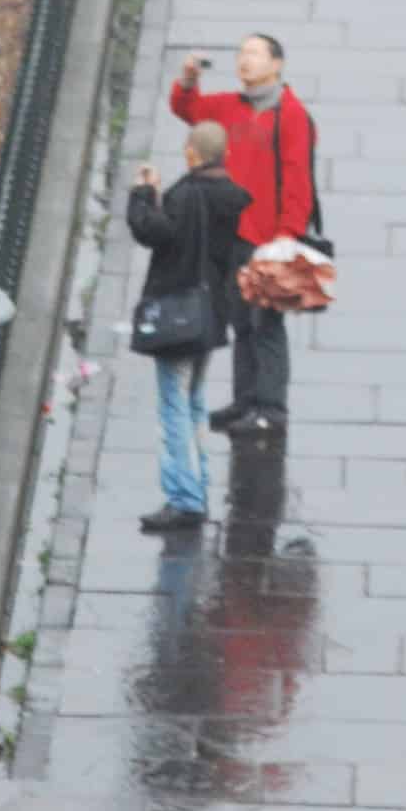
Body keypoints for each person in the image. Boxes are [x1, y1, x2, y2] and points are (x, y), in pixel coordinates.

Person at [170, 32, 317, 435]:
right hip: (233, 237)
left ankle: (271, 409)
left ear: (276, 64)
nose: (244, 60)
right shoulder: (229, 106)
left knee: (266, 324)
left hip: (269, 239)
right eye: (241, 53)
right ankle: (245, 401)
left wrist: (287, 235)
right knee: (241, 321)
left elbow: (298, 181)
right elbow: (188, 110)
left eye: (254, 53)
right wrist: (188, 80)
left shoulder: (291, 116)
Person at [128, 122, 252, 535]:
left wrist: (143, 194)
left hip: (179, 319)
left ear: (193, 154)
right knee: (194, 402)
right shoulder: (229, 197)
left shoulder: (187, 195)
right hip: (210, 316)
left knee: (174, 407)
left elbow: (153, 232)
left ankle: (185, 499)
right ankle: (197, 486)